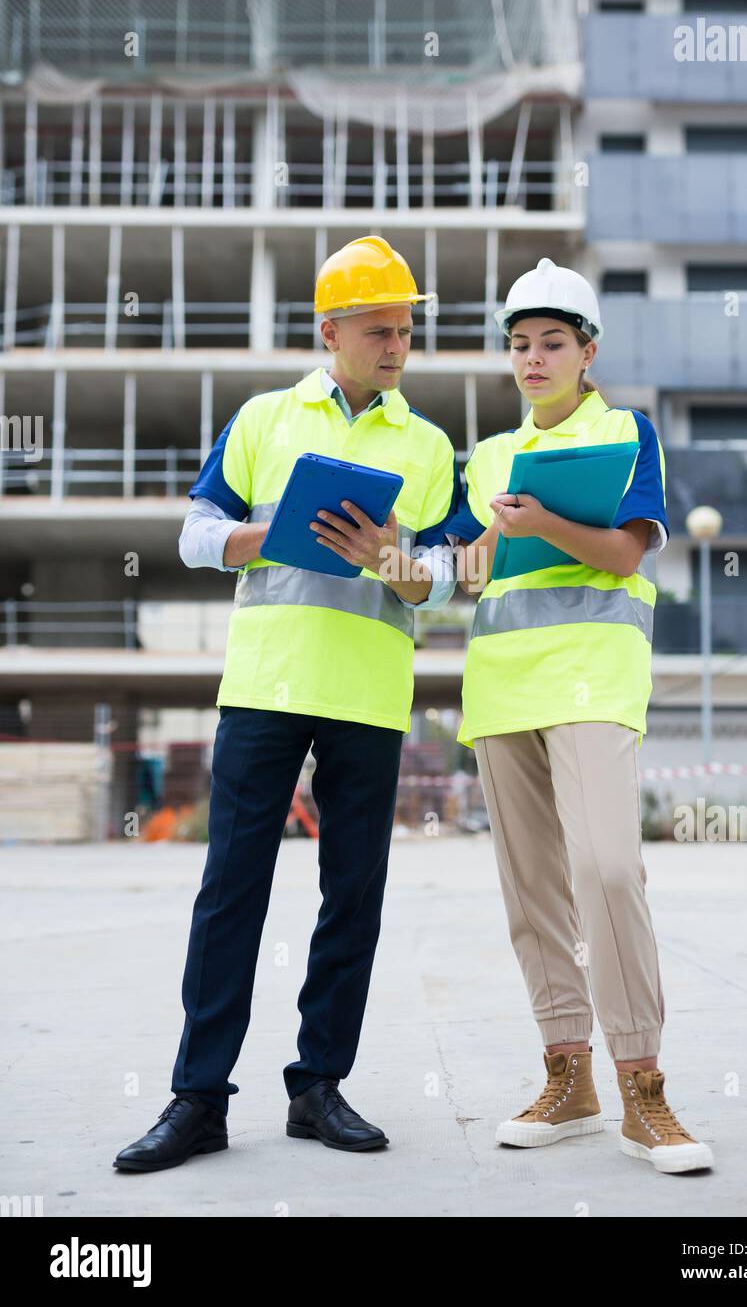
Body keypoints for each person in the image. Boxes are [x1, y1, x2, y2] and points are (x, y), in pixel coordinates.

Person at [114, 236, 460, 1171]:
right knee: (232, 890)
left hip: (369, 697)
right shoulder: (264, 420)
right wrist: (267, 535)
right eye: (380, 330)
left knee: (352, 895)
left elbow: (445, 576)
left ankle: (318, 1087)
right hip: (265, 690)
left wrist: (388, 558)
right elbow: (194, 537)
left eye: (405, 330)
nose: (397, 346)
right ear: (330, 331)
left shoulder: (429, 448)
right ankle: (198, 1098)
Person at [446, 258, 714, 1174]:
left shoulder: (625, 431)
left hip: (594, 680)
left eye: (551, 343)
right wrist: (401, 558)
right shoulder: (482, 457)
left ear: (587, 351)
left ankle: (645, 1089)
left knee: (606, 868)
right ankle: (569, 1078)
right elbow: (458, 576)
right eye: (519, 346)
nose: (532, 360)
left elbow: (626, 555)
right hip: (500, 687)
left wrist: (538, 523)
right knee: (531, 894)